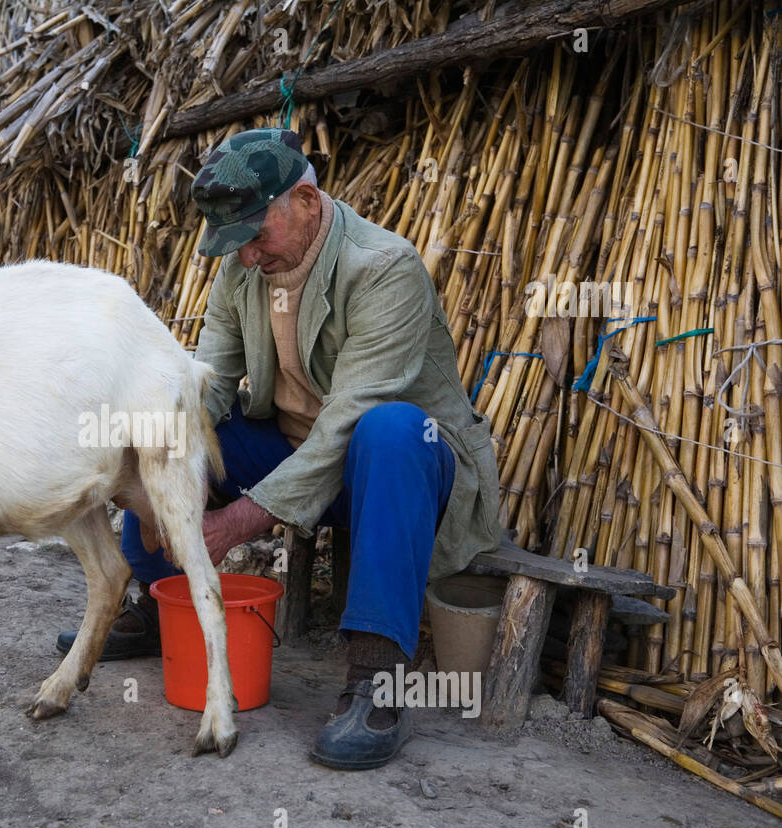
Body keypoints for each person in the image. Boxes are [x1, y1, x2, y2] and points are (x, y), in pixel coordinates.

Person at [58, 127, 503, 769]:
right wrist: (153, 475)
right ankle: (162, 606)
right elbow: (202, 387)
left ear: (305, 201)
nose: (244, 259)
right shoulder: (246, 267)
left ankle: (377, 680)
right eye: (234, 244)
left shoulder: (384, 270)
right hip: (295, 450)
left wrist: (231, 523)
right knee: (166, 430)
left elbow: (346, 424)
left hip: (394, 473)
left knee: (392, 431)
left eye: (255, 236)